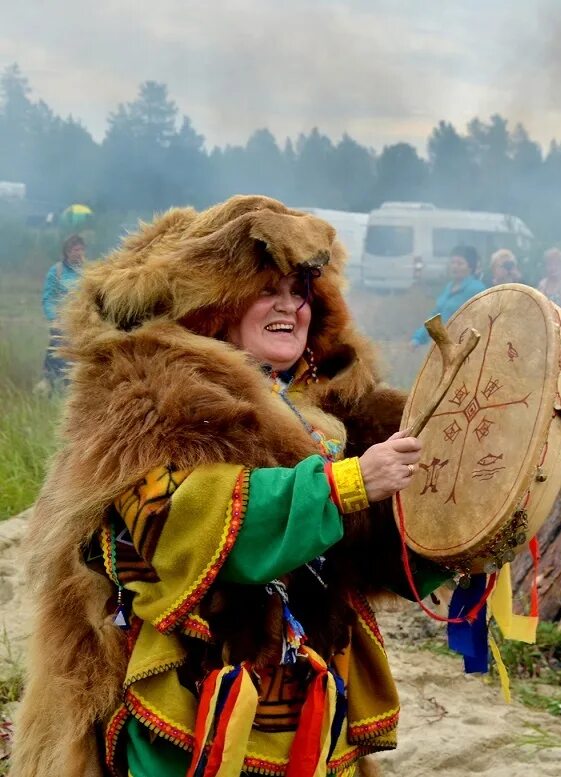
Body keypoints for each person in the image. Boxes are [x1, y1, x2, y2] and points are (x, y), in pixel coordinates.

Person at [14, 196, 450, 777]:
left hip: (310, 687)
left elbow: (370, 551)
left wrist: (460, 523)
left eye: (300, 292)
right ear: (220, 304)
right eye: (268, 290)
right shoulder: (148, 403)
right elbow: (179, 519)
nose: (289, 307)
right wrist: (345, 485)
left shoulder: (337, 406)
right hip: (196, 693)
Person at [35, 233, 86, 394]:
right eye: (74, 250)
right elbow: (48, 298)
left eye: (80, 249)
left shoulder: (89, 271)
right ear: (67, 252)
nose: (78, 253)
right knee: (57, 349)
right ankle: (48, 382)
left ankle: (74, 386)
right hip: (61, 320)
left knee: (79, 356)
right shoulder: (56, 271)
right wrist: (54, 318)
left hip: (82, 320)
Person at [410, 245, 486, 348]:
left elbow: (482, 322)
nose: (455, 266)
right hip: (443, 347)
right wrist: (418, 339)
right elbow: (435, 318)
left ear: (470, 267)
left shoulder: (476, 289)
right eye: (453, 262)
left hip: (464, 349)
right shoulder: (449, 287)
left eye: (460, 263)